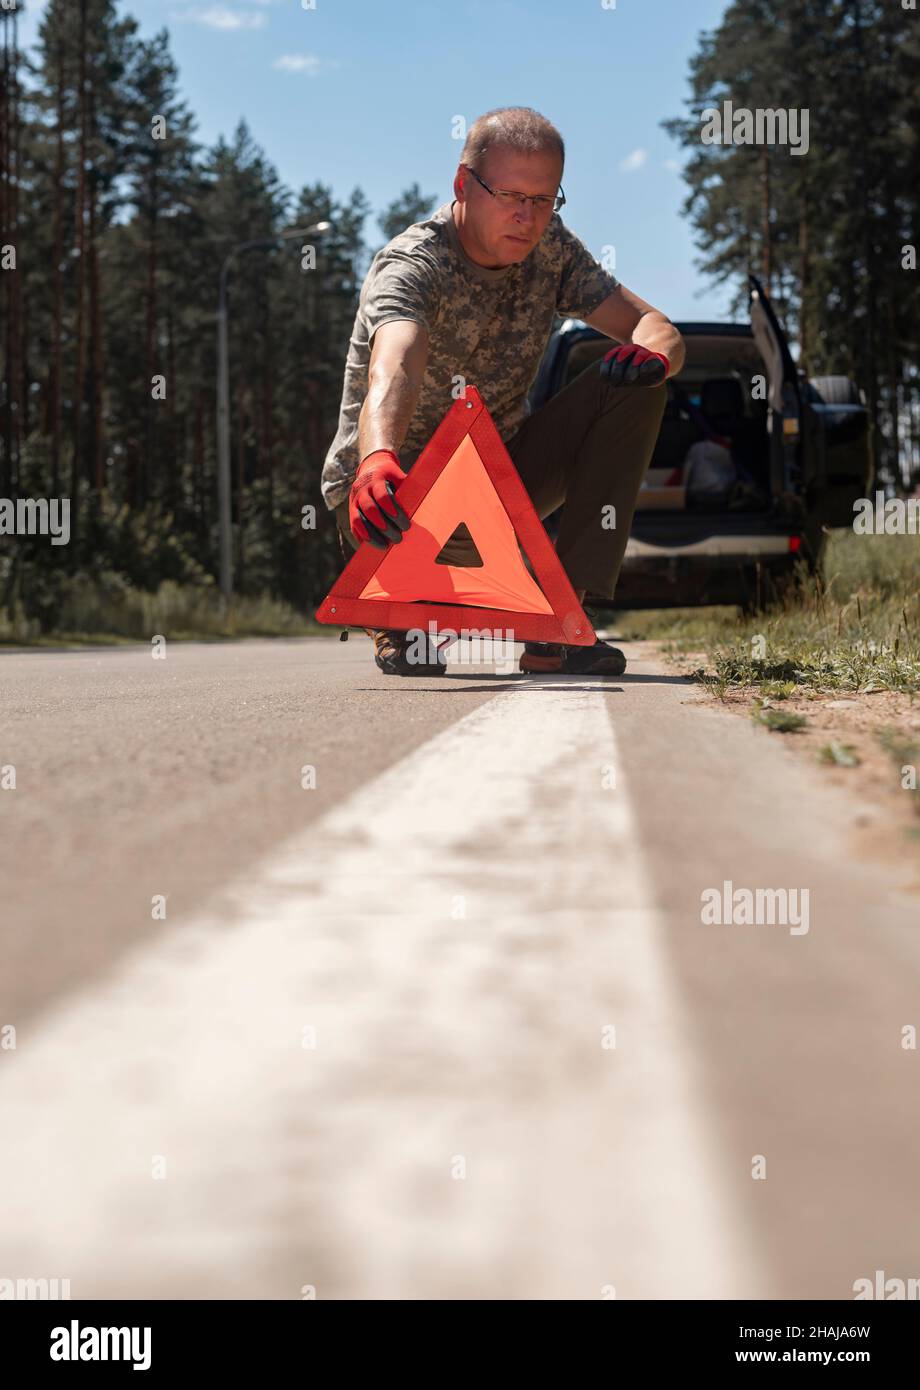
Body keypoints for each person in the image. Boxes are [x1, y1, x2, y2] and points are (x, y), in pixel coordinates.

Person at [321, 106, 684, 676]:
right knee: (416, 647)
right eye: (511, 196)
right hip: (392, 504)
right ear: (463, 184)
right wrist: (376, 458)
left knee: (637, 387)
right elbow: (395, 366)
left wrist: (655, 357)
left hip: (495, 489)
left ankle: (564, 621)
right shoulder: (414, 264)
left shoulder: (551, 251)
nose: (527, 217)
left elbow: (653, 325)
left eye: (544, 199)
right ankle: (397, 611)